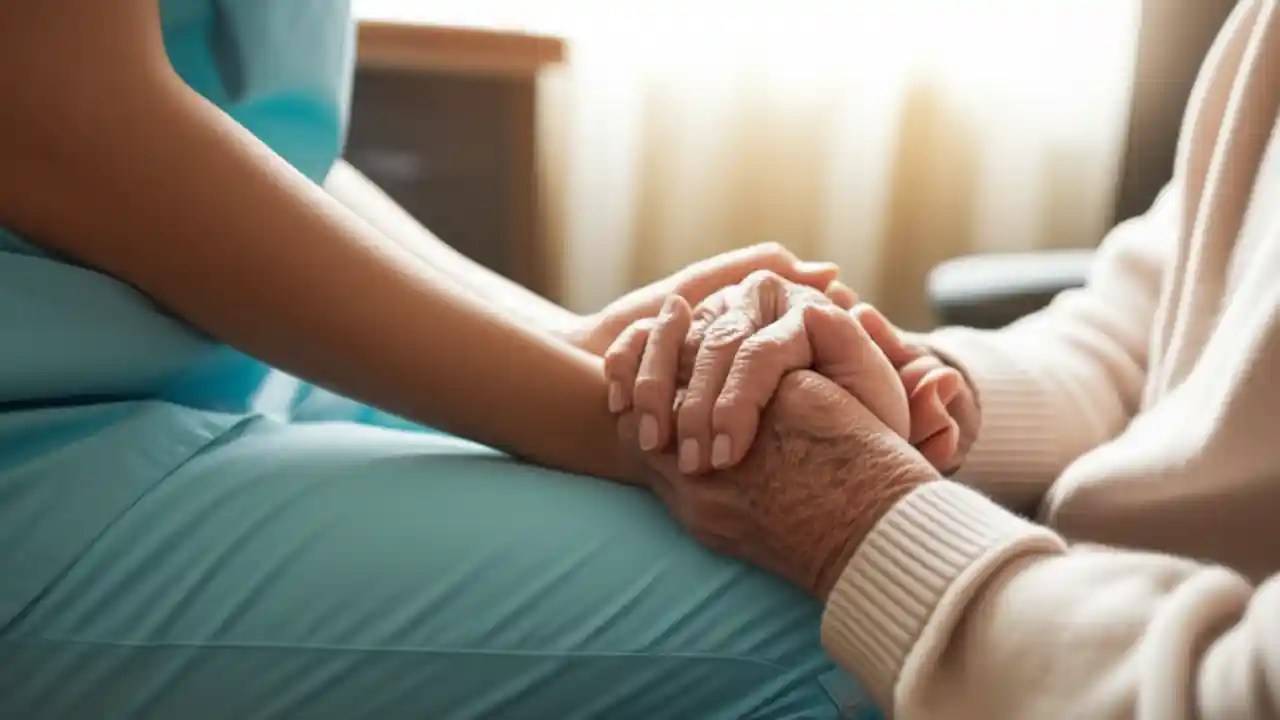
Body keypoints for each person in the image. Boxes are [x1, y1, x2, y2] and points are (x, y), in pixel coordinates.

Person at [0, 2, 876, 717]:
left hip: (239, 361)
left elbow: (260, 139)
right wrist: (613, 421)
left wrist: (567, 340)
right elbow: (60, 118)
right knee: (849, 638)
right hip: (44, 444)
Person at [608, 0, 1280, 716]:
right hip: (1023, 595)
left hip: (1034, 652)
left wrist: (861, 524)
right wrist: (926, 390)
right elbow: (1138, 339)